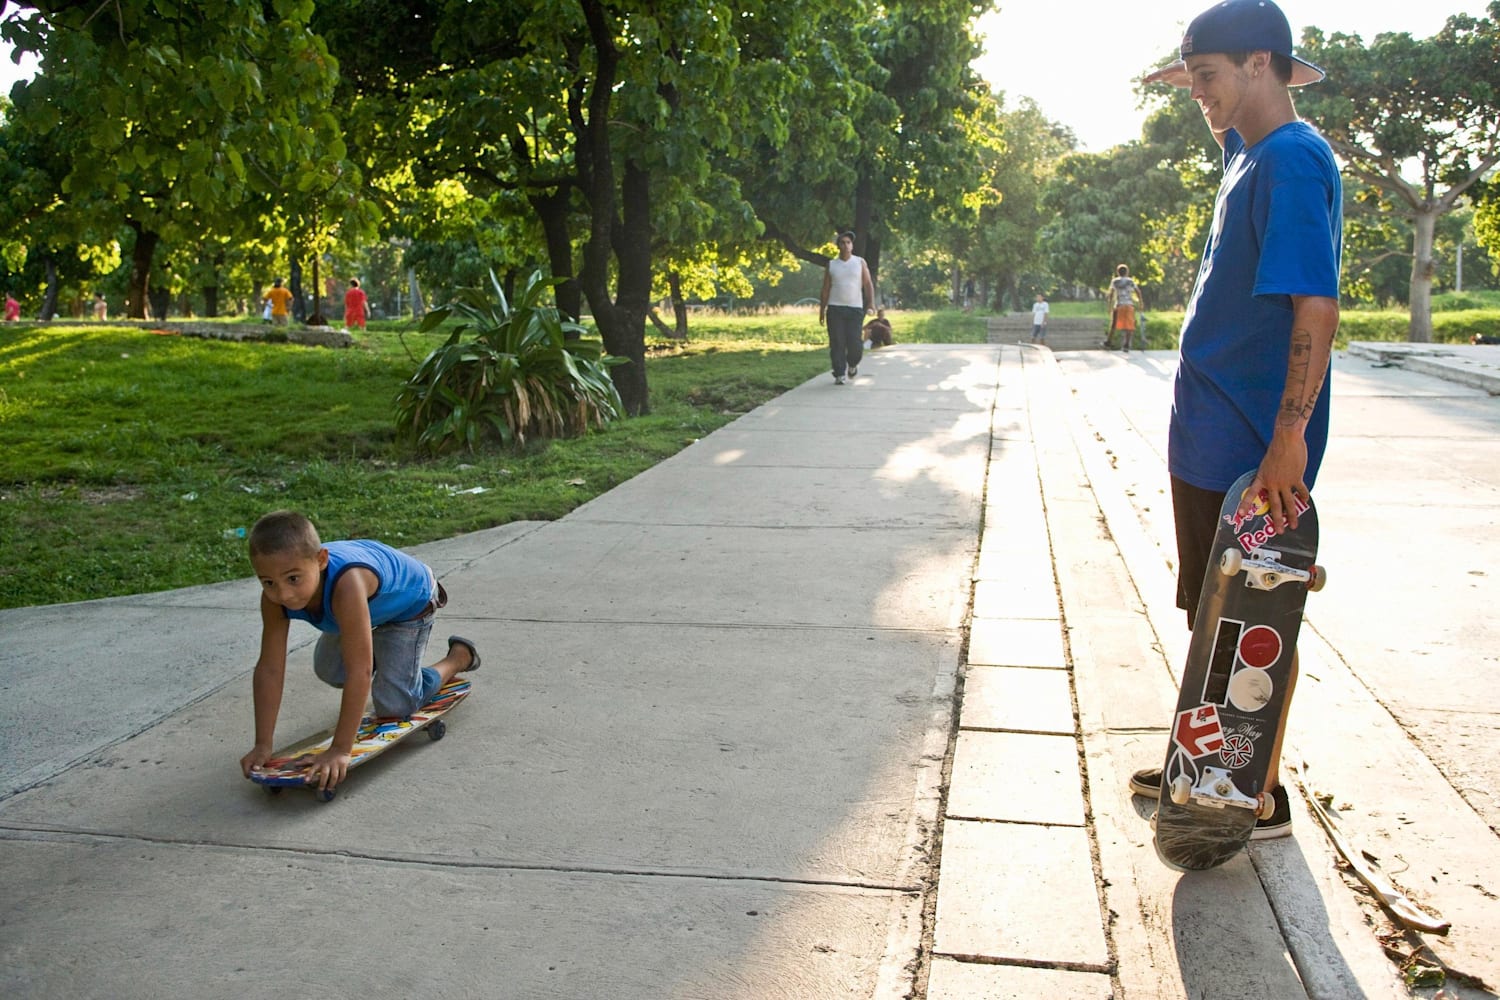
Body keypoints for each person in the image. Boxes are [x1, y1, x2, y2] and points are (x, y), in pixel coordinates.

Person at [1129, 0, 1342, 841]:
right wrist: (1191, 68)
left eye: (1209, 79)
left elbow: (1314, 309)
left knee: (1257, 615)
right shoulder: (1249, 152)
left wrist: (1288, 440)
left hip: (1254, 443)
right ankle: (1207, 763)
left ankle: (1259, 793)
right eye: (1191, 83)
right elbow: (1227, 96)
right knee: (1213, 613)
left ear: (1261, 65)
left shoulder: (1291, 161)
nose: (1196, 97)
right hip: (1210, 431)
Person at [238, 510, 482, 793]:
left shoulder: (346, 584)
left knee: (396, 706)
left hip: (409, 604)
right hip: (361, 612)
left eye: (293, 579)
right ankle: (379, 649)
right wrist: (263, 744)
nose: (283, 594)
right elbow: (269, 668)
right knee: (329, 669)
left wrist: (341, 749)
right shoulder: (275, 597)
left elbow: (360, 671)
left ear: (320, 561)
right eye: (268, 582)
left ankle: (458, 658)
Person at [819, 231, 875, 384]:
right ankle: (839, 373)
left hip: (855, 309)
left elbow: (868, 283)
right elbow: (825, 289)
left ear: (852, 245)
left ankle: (853, 364)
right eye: (842, 242)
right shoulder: (832, 264)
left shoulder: (859, 262)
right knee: (837, 342)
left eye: (848, 242)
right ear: (838, 246)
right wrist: (822, 310)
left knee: (855, 343)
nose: (846, 245)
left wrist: (871, 303)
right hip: (835, 308)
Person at [1107, 265, 1142, 352]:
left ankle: (1109, 341)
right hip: (1129, 305)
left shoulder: (1115, 281)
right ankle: (1126, 344)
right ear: (1127, 272)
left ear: (1118, 272)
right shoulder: (1130, 281)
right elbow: (1138, 291)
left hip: (1119, 305)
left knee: (1114, 324)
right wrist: (1140, 302)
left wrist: (1110, 305)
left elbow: (1111, 294)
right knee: (1129, 325)